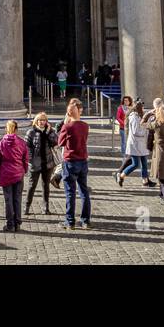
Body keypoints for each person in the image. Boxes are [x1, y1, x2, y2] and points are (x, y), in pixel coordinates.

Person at [57, 97, 91, 230]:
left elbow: (60, 142)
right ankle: (86, 220)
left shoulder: (67, 126)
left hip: (70, 160)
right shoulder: (85, 125)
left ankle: (70, 221)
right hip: (83, 160)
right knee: (84, 191)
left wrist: (65, 123)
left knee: (70, 192)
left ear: (69, 114)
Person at [0, 119, 30, 232]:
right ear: (16, 130)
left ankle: (10, 224)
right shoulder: (22, 142)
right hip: (18, 173)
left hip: (6, 173)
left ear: (5, 129)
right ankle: (17, 222)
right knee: (17, 199)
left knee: (8, 200)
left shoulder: (1, 143)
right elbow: (25, 159)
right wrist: (24, 169)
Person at [24, 111, 57, 215]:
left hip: (47, 163)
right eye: (39, 120)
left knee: (46, 186)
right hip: (35, 164)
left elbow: (55, 142)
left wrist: (48, 132)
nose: (42, 122)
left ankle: (46, 208)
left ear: (46, 122)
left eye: (44, 120)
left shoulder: (50, 131)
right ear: (36, 121)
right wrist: (30, 160)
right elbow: (27, 147)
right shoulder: (31, 132)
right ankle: (27, 207)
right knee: (31, 186)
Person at [117, 100, 154, 187]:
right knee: (135, 164)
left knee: (144, 163)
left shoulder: (140, 115)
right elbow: (135, 132)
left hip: (141, 144)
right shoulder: (133, 117)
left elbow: (146, 122)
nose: (143, 109)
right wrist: (146, 129)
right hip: (135, 144)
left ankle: (145, 181)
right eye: (142, 107)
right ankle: (121, 175)